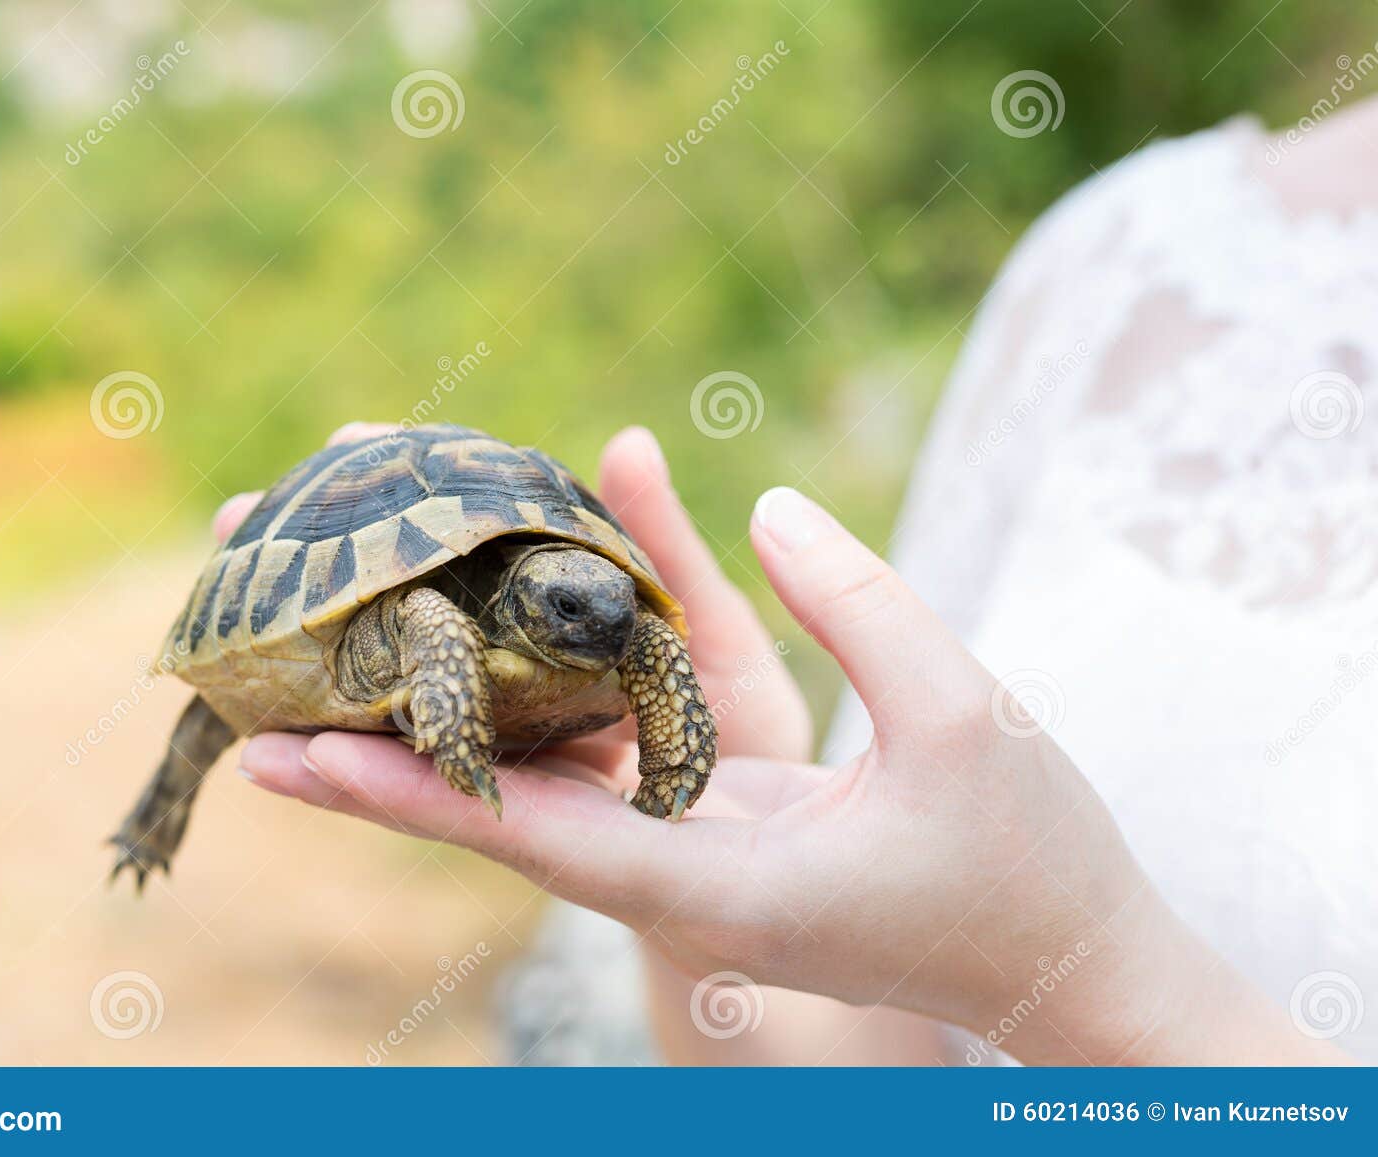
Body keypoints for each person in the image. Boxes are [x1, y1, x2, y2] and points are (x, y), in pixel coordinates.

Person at [225, 100, 1378, 1065]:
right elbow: (876, 1085)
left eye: (616, 613)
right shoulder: (1111, 248)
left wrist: (1104, 985)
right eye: (572, 607)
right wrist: (713, 920)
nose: (611, 627)